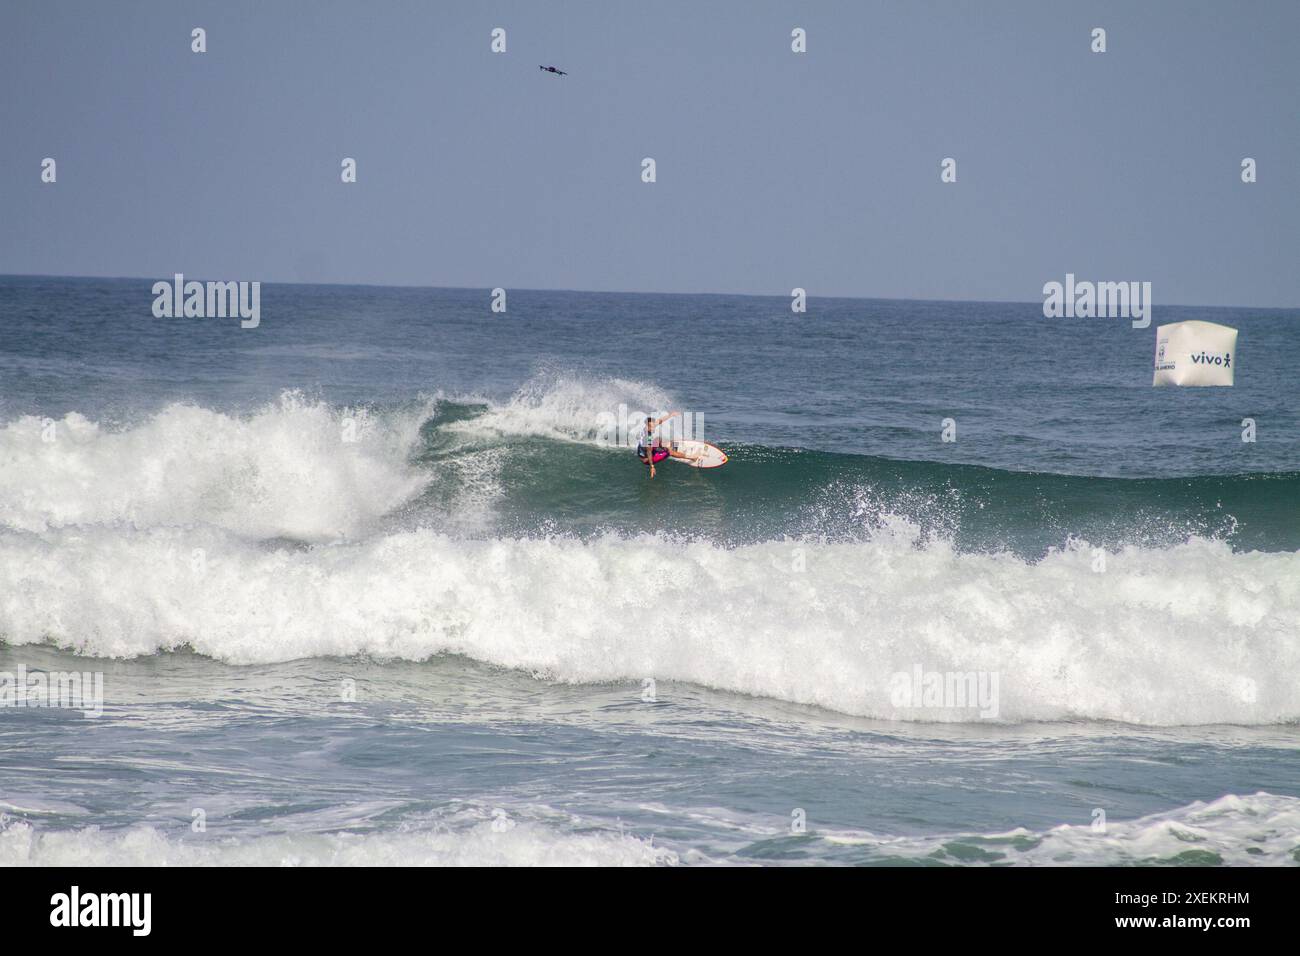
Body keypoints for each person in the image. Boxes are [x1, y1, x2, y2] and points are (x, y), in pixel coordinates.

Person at [636, 411, 698, 478]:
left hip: (643, 451)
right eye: (652, 427)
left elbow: (660, 421)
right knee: (670, 452)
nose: (654, 428)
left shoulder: (646, 428)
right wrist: (652, 467)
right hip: (646, 459)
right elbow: (649, 453)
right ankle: (693, 458)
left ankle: (663, 449)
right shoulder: (648, 439)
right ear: (648, 425)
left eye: (654, 426)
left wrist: (671, 415)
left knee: (658, 438)